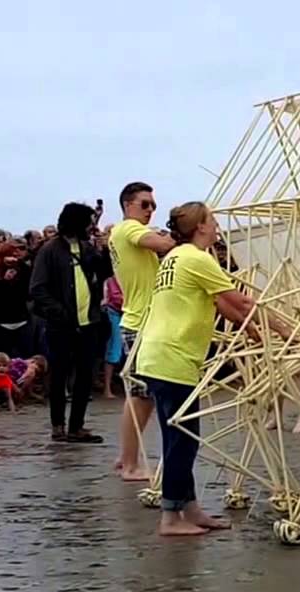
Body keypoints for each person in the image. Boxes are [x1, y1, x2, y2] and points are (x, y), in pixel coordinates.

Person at [136, 201, 262, 537]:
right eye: (212, 220)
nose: (217, 225)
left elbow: (222, 303)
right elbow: (243, 301)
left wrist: (251, 328)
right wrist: (283, 329)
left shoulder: (176, 257)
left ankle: (189, 509)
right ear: (201, 227)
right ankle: (170, 518)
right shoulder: (196, 257)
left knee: (179, 438)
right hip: (172, 359)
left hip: (157, 356)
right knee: (183, 441)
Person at [109, 182, 176, 479]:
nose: (150, 210)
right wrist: (182, 232)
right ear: (128, 205)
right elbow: (163, 245)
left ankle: (126, 457)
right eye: (145, 204)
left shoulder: (125, 233)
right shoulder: (127, 229)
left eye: (153, 206)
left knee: (140, 396)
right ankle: (130, 463)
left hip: (142, 321)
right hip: (140, 323)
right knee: (141, 397)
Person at [29, 202, 111, 443]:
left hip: (88, 322)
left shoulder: (85, 247)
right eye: (88, 221)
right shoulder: (50, 250)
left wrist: (105, 250)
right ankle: (58, 425)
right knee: (60, 375)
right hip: (61, 325)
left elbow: (105, 272)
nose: (91, 226)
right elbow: (37, 288)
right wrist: (59, 311)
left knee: (85, 374)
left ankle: (77, 426)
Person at [102, 275, 124, 399]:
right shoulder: (112, 281)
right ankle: (107, 387)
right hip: (114, 313)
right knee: (113, 351)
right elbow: (116, 299)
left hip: (126, 314)